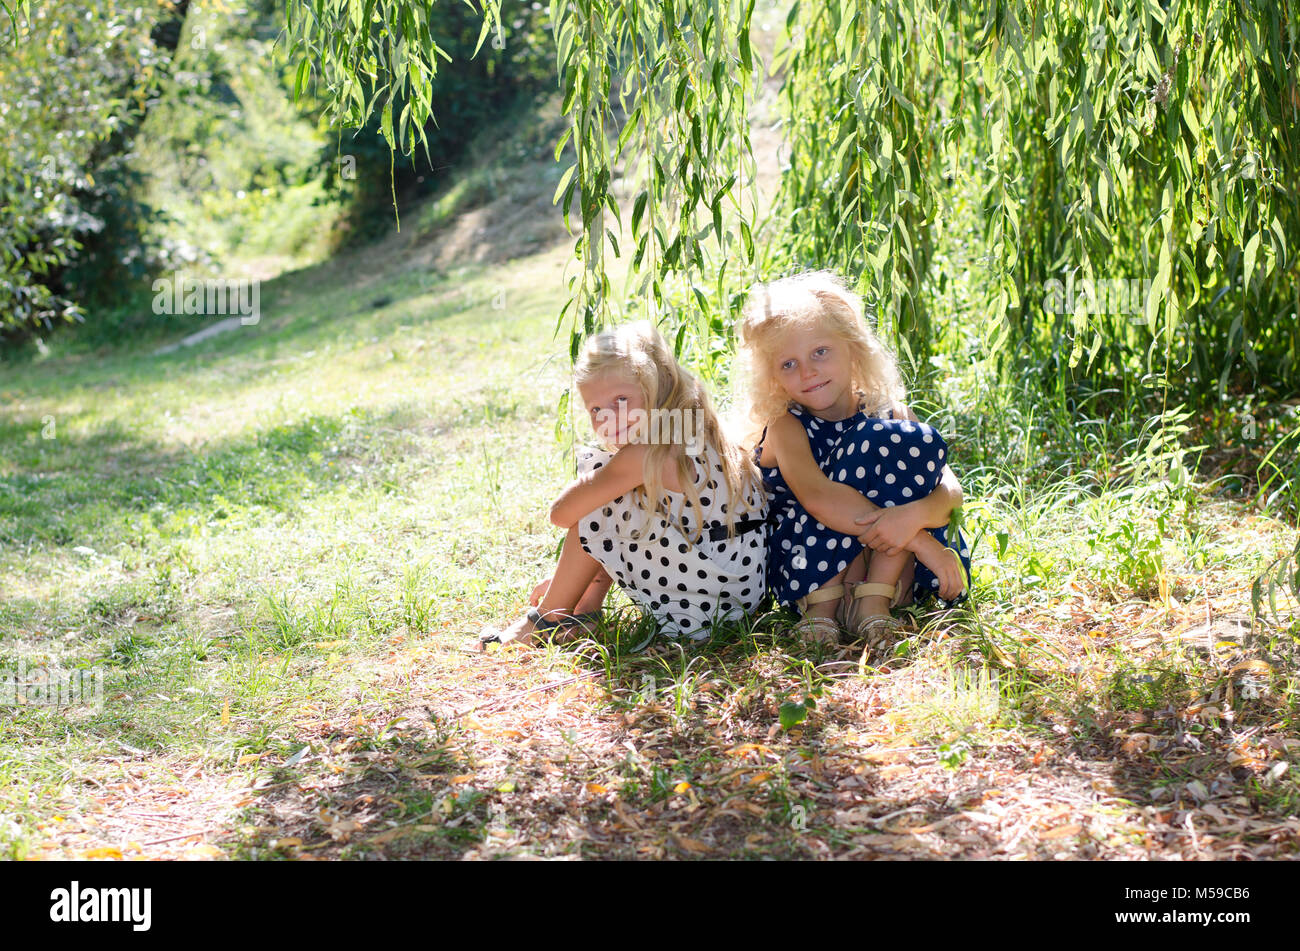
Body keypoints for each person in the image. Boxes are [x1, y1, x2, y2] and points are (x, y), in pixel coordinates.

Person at [479, 321, 768, 648]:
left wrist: (595, 478)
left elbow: (560, 515)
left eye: (621, 400)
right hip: (738, 592)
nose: (608, 418)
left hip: (708, 607)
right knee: (615, 497)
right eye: (596, 408)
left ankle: (549, 618)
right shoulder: (690, 425)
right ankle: (583, 610)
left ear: (656, 386)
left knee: (600, 500)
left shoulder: (646, 454)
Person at [737, 270, 970, 653]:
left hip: (885, 571)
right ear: (772, 376)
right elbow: (819, 498)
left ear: (853, 347)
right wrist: (922, 541)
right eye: (788, 364)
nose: (807, 371)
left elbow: (951, 491)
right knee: (858, 462)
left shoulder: (888, 412)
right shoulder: (786, 425)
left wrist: (916, 513)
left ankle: (874, 600)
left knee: (908, 439)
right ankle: (822, 611)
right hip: (812, 574)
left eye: (820, 352)